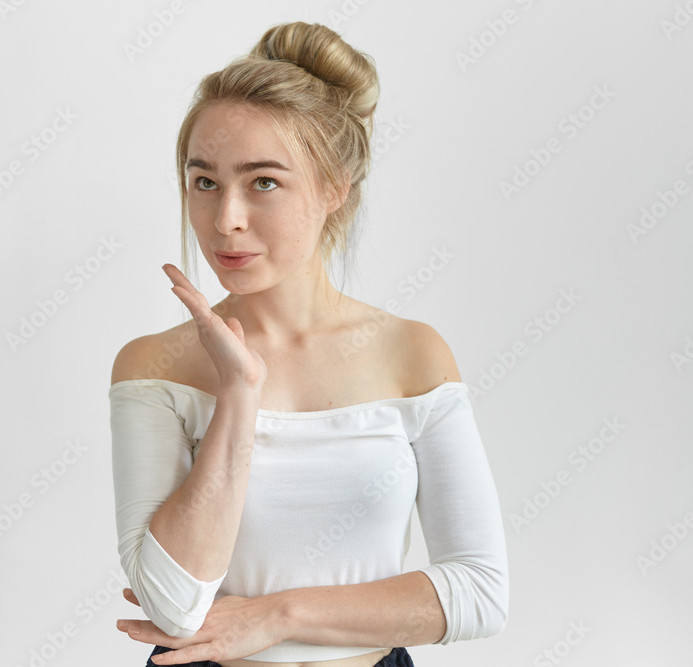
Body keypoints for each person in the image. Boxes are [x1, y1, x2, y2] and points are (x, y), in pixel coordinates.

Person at [109, 21, 509, 667]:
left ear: (332, 188)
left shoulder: (412, 354)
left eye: (263, 181)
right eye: (204, 180)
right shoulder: (153, 365)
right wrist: (238, 394)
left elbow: (481, 591)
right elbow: (171, 605)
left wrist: (275, 616)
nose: (225, 218)